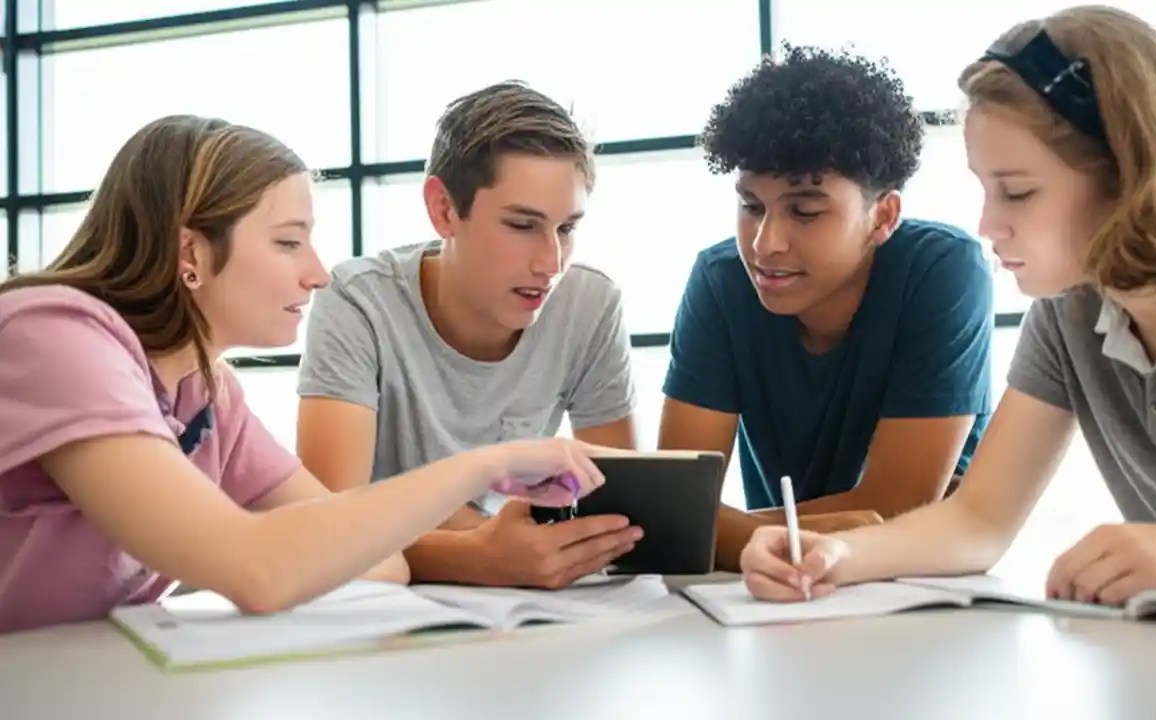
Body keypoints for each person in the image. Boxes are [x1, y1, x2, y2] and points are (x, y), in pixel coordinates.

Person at [740, 6, 1156, 605]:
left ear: (1131, 173)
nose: (988, 225)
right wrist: (834, 554)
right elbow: (979, 520)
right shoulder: (1067, 311)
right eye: (985, 188)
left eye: (1018, 192)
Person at [0, 115, 607, 633]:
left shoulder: (208, 396)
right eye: (289, 243)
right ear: (192, 254)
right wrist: (488, 464)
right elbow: (258, 571)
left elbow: (380, 563)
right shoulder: (54, 334)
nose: (318, 274)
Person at [296, 81, 642, 589]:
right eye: (522, 225)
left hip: (525, 607)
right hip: (379, 610)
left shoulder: (590, 306)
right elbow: (325, 527)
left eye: (566, 229)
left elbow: (622, 513)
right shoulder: (357, 302)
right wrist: (475, 556)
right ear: (443, 210)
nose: (551, 263)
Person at [659, 45, 995, 569]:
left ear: (883, 217)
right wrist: (717, 532)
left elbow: (898, 507)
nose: (765, 243)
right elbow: (672, 513)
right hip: (778, 586)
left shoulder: (943, 271)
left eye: (806, 211)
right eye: (751, 206)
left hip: (916, 584)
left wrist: (722, 533)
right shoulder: (721, 281)